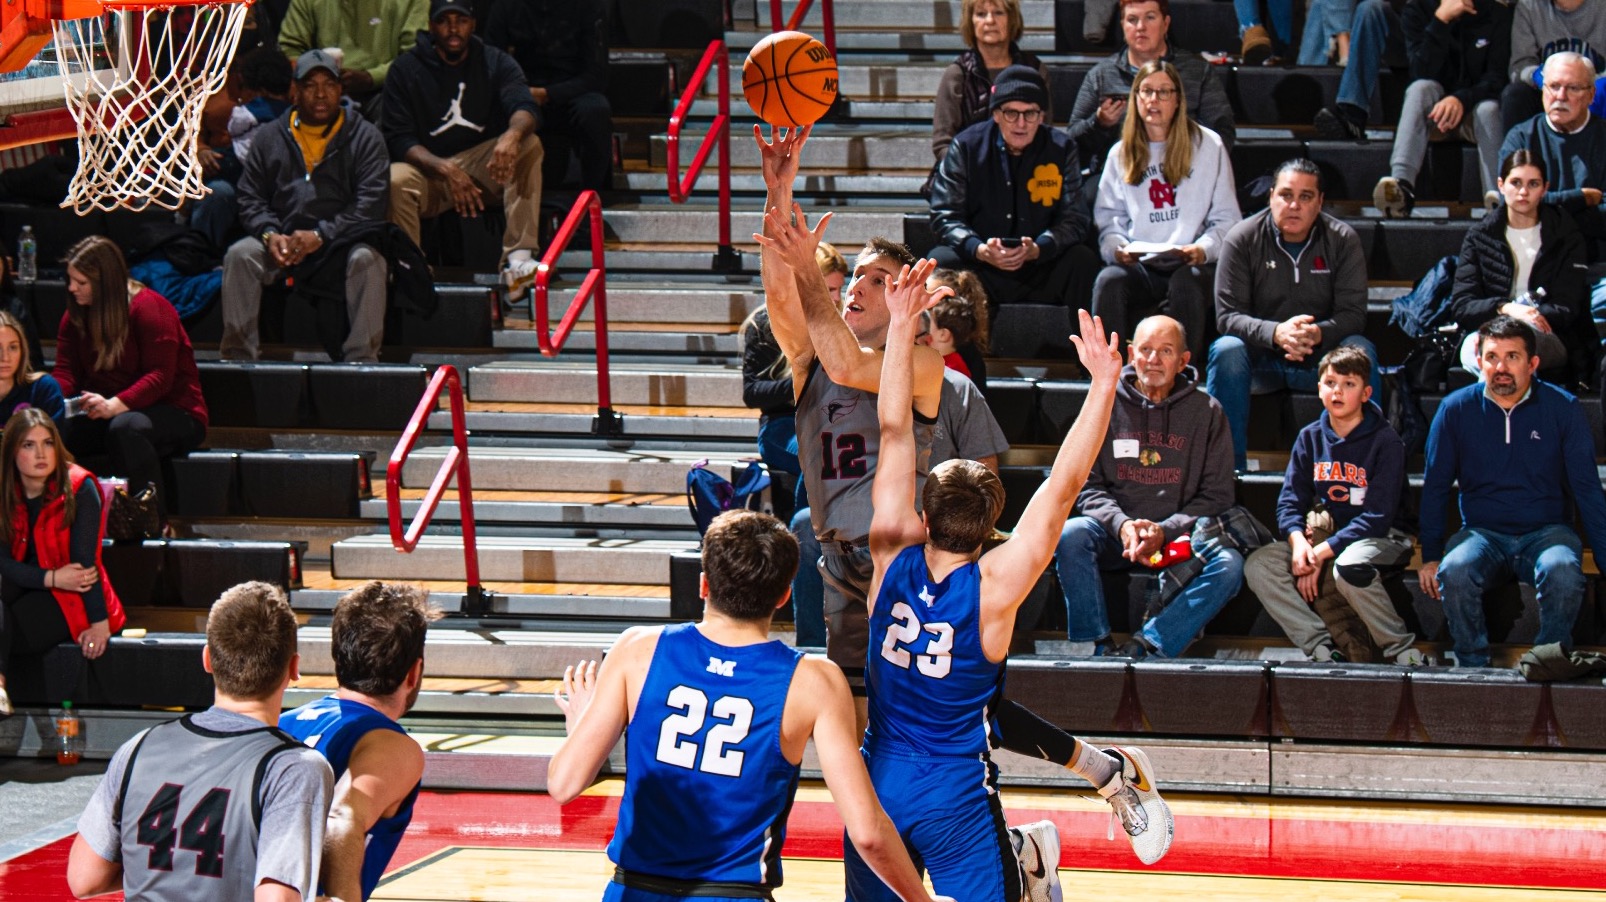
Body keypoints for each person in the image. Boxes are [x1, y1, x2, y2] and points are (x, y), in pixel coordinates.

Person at [844, 276, 1171, 901]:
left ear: (924, 510)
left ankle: (1027, 849)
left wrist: (902, 324)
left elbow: (891, 429)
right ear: (993, 523)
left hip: (879, 776)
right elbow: (1062, 486)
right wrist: (1104, 383)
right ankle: (1023, 854)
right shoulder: (994, 585)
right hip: (953, 791)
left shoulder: (889, 549)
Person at [546, 510, 952, 902]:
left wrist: (582, 726)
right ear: (784, 596)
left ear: (704, 585)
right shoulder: (815, 681)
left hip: (633, 890)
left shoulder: (637, 649)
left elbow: (563, 784)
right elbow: (866, 832)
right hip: (735, 893)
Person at [67, 581, 334, 901]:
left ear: (207, 659)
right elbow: (277, 897)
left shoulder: (138, 747)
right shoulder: (295, 768)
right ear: (294, 667)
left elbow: (85, 879)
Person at [1418, 316, 1606, 667]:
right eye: (1491, 357)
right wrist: (1430, 554)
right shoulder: (1455, 409)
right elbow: (1435, 487)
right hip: (1482, 533)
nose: (1500, 367)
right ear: (1478, 358)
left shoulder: (1562, 408)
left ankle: (1547, 662)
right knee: (1454, 570)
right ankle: (1473, 666)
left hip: (1548, 533)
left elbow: (1588, 490)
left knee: (1563, 569)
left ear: (1533, 363)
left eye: (1512, 357)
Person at [1055, 316, 1240, 659]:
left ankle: (1151, 644)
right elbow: (1085, 484)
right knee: (1071, 535)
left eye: (1165, 351)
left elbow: (1218, 495)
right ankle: (1096, 644)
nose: (1153, 359)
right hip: (1115, 535)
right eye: (1145, 350)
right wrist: (1123, 525)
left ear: (1183, 361)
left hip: (1179, 538)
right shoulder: (1104, 403)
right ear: (1130, 354)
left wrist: (1165, 530)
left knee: (1229, 564)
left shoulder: (1208, 411)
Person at [1244, 346, 1423, 665]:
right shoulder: (1309, 437)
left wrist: (1318, 555)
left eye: (1348, 384)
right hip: (1328, 537)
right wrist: (1299, 544)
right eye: (1330, 382)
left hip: (1387, 538)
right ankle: (1321, 646)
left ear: (1366, 392)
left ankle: (1400, 648)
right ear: (1319, 388)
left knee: (1348, 566)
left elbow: (1377, 519)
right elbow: (1289, 502)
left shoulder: (1387, 442)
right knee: (1260, 565)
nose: (1337, 391)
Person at [1205, 159, 1378, 472]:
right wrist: (1275, 333)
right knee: (1226, 349)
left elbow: (1353, 315)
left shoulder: (1342, 239)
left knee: (1361, 349)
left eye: (1305, 197)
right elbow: (1227, 316)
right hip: (1260, 361)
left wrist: (1318, 333)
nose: (1294, 205)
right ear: (1271, 196)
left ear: (1320, 202)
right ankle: (1225, 472)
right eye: (1286, 195)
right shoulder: (1242, 238)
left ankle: (1365, 468)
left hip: (1321, 362)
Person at [223, 49, 391, 364]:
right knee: (240, 254)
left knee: (369, 260)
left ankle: (362, 361)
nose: (320, 93)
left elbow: (370, 204)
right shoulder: (270, 135)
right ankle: (237, 359)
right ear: (295, 91)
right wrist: (269, 233)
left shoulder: (365, 136)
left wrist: (321, 234)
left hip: (340, 243)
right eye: (310, 85)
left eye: (328, 84)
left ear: (341, 89)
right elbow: (249, 196)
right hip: (283, 242)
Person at [280, 581, 436, 902]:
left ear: (337, 657)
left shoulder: (280, 723)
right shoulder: (393, 746)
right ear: (414, 673)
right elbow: (340, 820)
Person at [383, 0, 543, 291]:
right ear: (431, 26)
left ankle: (518, 261)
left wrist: (512, 135)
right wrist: (445, 169)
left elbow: (523, 104)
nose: (453, 28)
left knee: (528, 142)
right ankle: (411, 269)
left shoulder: (494, 60)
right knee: (395, 179)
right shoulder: (406, 68)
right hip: (431, 172)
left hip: (484, 169)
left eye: (461, 20)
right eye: (444, 21)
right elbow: (399, 137)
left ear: (473, 24)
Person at [52, 236, 208, 527]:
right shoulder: (74, 315)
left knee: (126, 429)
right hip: (108, 409)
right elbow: (65, 372)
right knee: (55, 429)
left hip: (174, 410)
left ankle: (151, 521)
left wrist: (115, 405)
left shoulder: (150, 308)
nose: (72, 288)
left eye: (81, 282)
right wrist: (48, 404)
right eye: (70, 280)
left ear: (105, 283)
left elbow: (160, 377)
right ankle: (65, 521)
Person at [1092, 60, 1240, 362]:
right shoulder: (1121, 152)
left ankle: (1183, 378)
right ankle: (1108, 378)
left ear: (1178, 100)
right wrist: (1117, 250)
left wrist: (1202, 249)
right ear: (1135, 98)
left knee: (1186, 281)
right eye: (1146, 91)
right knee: (1109, 280)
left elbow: (1227, 219)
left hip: (1192, 261)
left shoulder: (1208, 145)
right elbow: (1109, 222)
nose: (1154, 100)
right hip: (1142, 264)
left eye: (1163, 92)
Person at [929, 65, 1099, 311]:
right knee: (941, 260)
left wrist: (1040, 247)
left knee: (1082, 260)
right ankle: (950, 349)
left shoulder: (1061, 148)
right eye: (1011, 113)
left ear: (1041, 116)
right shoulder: (966, 146)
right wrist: (978, 248)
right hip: (981, 265)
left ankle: (1081, 347)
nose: (1021, 123)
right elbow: (944, 215)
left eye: (1030, 114)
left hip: (1040, 263)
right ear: (996, 114)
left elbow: (1075, 218)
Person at [0, 409, 122, 717]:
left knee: (12, 631)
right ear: (12, 450)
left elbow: (85, 565)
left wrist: (99, 623)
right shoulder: (3, 489)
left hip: (74, 594)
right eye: (28, 445)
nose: (41, 453)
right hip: (38, 582)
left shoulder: (80, 487)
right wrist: (51, 577)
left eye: (48, 443)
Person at [1361, 0, 1512, 215]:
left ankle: (1499, 199)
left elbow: (1497, 78)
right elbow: (1420, 70)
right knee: (1420, 88)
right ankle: (1400, 187)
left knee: (1488, 109)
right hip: (1434, 114)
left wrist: (1460, 99)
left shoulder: (1496, 13)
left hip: (1474, 111)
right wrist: (1440, 22)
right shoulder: (1417, 9)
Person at [1068, 0, 1236, 190]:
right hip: (1120, 177)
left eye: (1150, 17)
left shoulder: (1196, 71)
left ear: (1165, 24)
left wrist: (1188, 158)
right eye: (1132, 19)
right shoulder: (1100, 75)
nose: (1140, 27)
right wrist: (1099, 124)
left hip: (1183, 172)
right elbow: (1072, 142)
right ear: (1122, 25)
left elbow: (1223, 131)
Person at [1499, 53, 1606, 349]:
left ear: (1591, 94)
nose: (1561, 96)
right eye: (1553, 86)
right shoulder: (1521, 138)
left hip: (1597, 265)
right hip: (1534, 269)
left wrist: (1547, 206)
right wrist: (1580, 199)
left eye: (1573, 88)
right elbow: (1513, 207)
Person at [1450, 151, 1586, 377]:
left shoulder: (1565, 234)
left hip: (1547, 333)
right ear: (1501, 186)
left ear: (1545, 188)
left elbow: (1567, 307)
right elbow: (1463, 305)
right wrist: (1506, 309)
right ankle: (1501, 410)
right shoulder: (1480, 236)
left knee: (1514, 349)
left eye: (1533, 184)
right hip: (1487, 330)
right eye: (1516, 183)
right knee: (1478, 350)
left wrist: (1526, 318)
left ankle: (1499, 409)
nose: (1523, 192)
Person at [481, 0, 613, 192]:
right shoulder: (506, 5)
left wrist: (547, 94)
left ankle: (593, 198)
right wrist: (519, 92)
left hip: (571, 92)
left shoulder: (589, 5)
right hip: (522, 91)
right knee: (491, 104)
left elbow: (596, 76)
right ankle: (494, 195)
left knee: (596, 109)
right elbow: (492, 64)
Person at [930, 0, 1050, 170]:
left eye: (998, 13)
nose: (989, 21)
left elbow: (1045, 132)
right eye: (980, 14)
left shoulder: (1034, 70)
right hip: (969, 178)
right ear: (970, 21)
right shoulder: (958, 74)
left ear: (1012, 18)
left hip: (1024, 174)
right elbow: (942, 143)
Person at [278, 0, 429, 120]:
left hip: (384, 87)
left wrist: (371, 78)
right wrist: (317, 78)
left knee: (401, 102)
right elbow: (290, 48)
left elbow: (415, 56)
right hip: (321, 83)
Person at [1501, 0, 1606, 136]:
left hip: (1593, 88)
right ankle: (1519, 153)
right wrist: (1538, 76)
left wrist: (1582, 84)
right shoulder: (1529, 6)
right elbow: (1520, 65)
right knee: (1515, 94)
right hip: (1547, 88)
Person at [921, 282, 990, 389]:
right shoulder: (943, 362)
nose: (924, 330)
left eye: (929, 324)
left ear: (943, 334)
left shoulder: (952, 368)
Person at [0, 311, 62, 422]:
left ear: (23, 351)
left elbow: (53, 437)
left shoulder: (43, 389)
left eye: (13, 347)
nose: (5, 358)